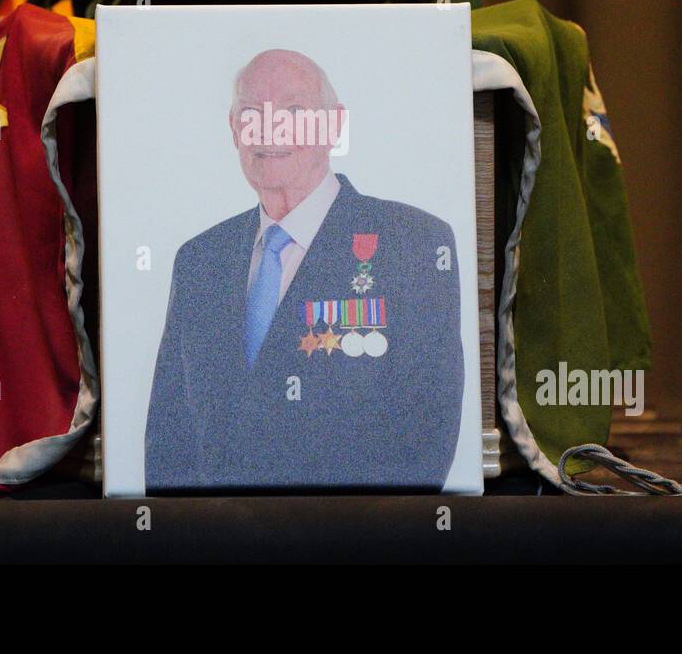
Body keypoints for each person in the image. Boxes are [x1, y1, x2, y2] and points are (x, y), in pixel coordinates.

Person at [145, 49, 463, 491]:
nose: (270, 128)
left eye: (294, 110)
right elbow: (168, 441)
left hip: (352, 538)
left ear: (334, 126)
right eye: (252, 112)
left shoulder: (412, 243)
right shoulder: (200, 260)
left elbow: (427, 434)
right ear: (234, 130)